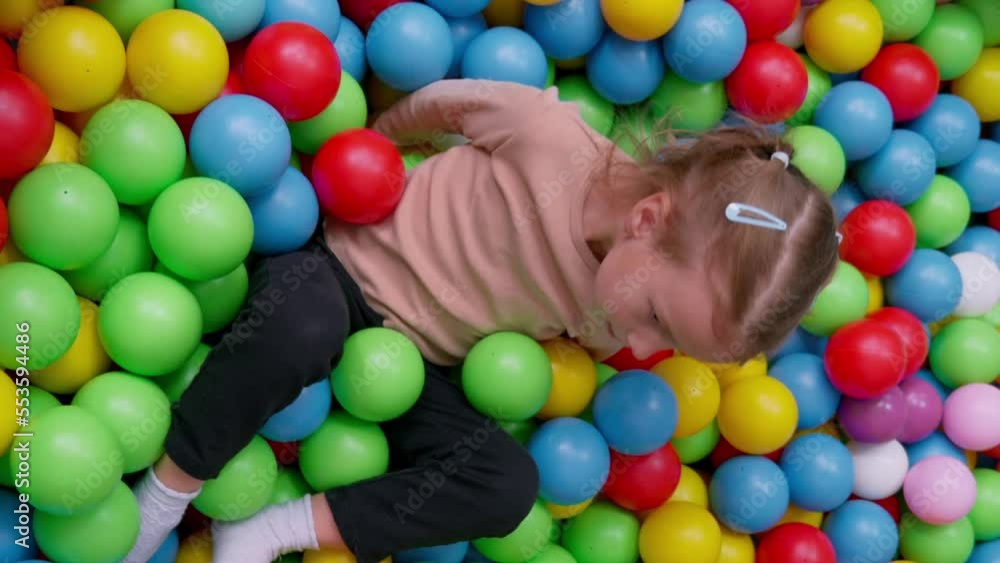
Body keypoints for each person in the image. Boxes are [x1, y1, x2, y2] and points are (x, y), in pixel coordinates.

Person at [123, 78, 839, 563]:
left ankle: (272, 527)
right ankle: (165, 491)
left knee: (506, 487)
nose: (643, 347)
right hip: (339, 271)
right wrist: (377, 148)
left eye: (671, 343)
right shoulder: (548, 135)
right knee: (296, 327)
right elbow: (443, 103)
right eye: (657, 319)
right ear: (647, 220)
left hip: (416, 366)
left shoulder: (620, 291)